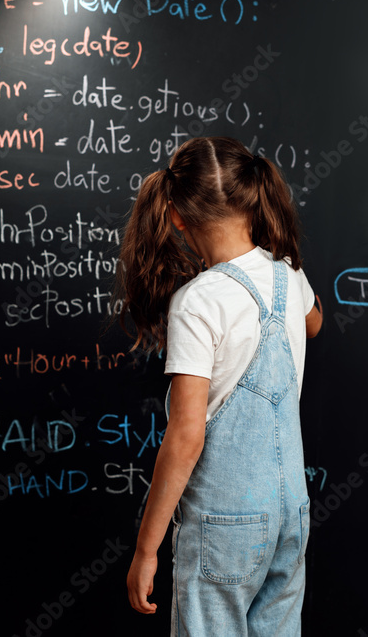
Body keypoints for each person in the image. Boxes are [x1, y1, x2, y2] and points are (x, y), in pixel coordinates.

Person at [119, 136, 322, 635]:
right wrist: (278, 264)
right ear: (251, 198)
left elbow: (186, 436)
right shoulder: (289, 276)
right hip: (290, 516)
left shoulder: (198, 301)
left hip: (224, 528)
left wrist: (147, 550)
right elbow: (315, 323)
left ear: (177, 216)